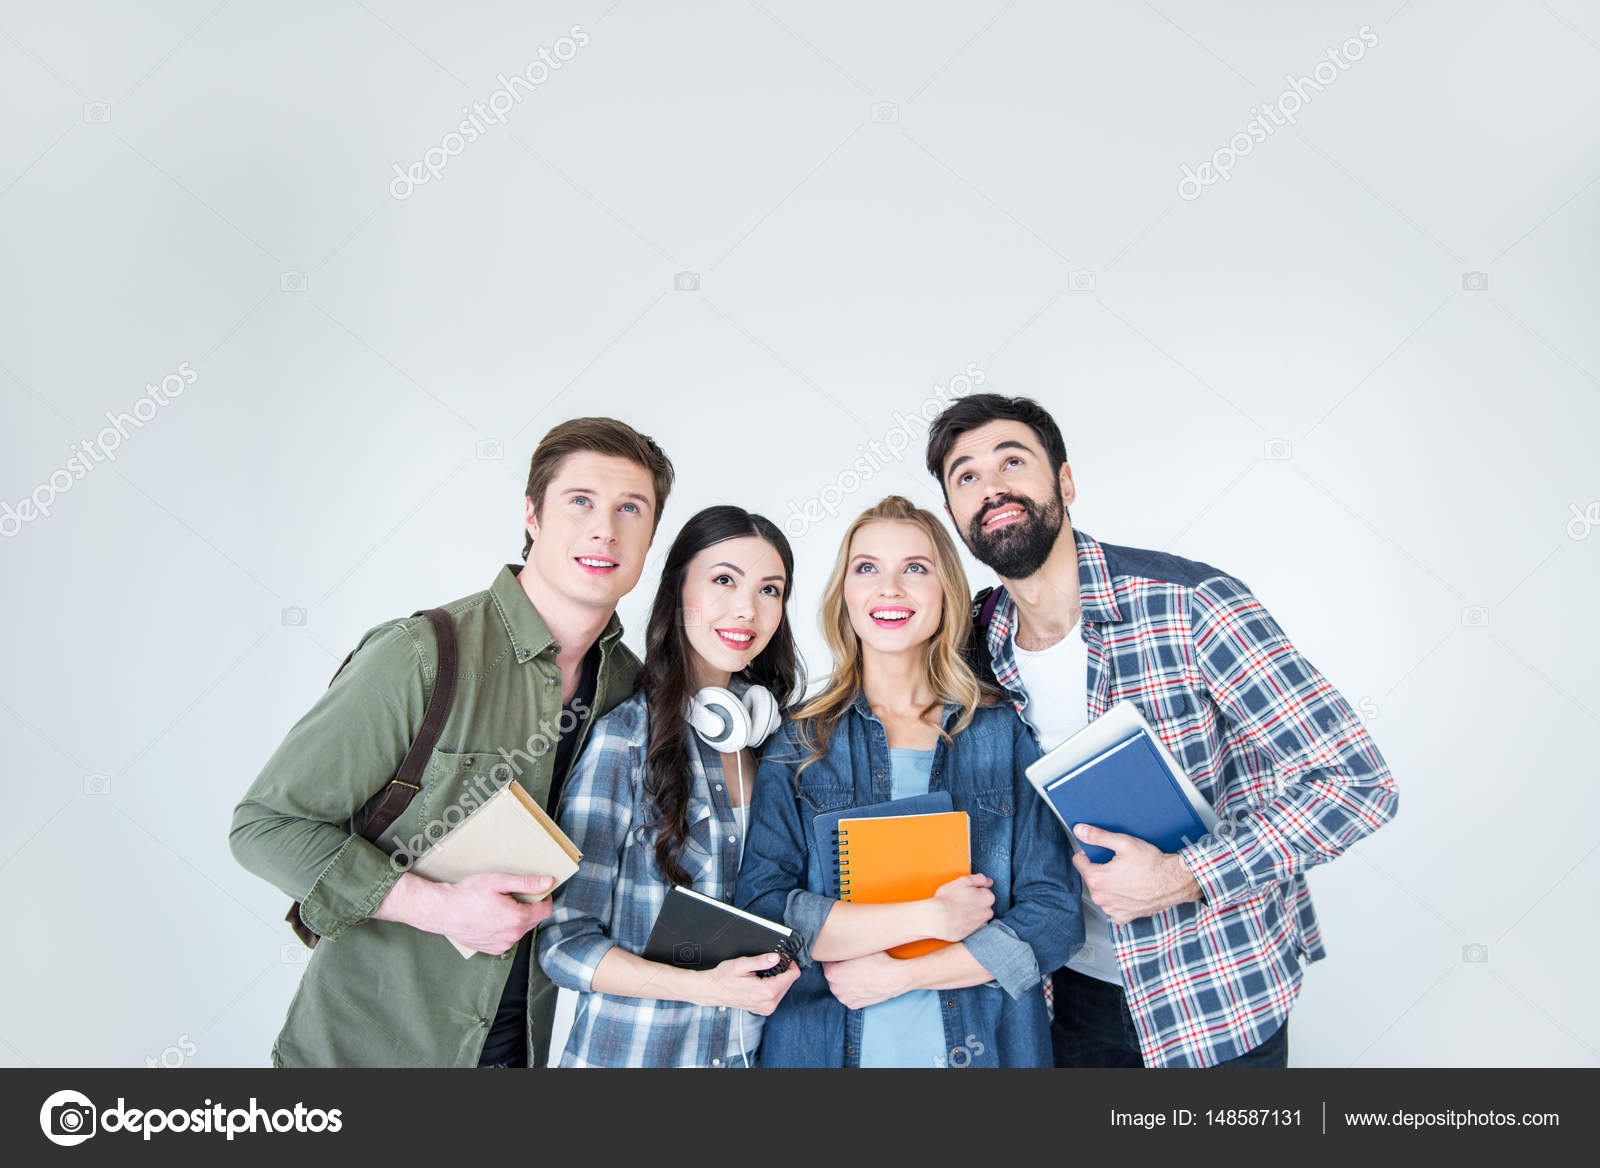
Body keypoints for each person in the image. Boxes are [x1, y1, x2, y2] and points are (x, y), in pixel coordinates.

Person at [923, 393, 1399, 1068]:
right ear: (954, 517)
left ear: (1064, 481)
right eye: (965, 475)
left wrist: (1186, 875)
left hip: (1215, 993)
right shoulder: (972, 643)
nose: (991, 485)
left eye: (1012, 461)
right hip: (1065, 1003)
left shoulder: (1193, 605)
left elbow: (1358, 786)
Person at [229, 416, 674, 1067]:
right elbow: (263, 826)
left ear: (650, 535)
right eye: (580, 501)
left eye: (629, 508)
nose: (604, 528)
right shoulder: (420, 656)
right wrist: (436, 906)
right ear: (532, 515)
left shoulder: (632, 693)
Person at [735, 495, 1081, 1068]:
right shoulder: (799, 743)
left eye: (915, 569)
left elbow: (1054, 916)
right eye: (867, 568)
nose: (889, 589)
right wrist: (929, 920)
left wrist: (903, 975)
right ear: (845, 594)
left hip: (986, 1048)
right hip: (821, 1048)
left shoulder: (1002, 732)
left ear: (944, 591)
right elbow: (763, 915)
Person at [537, 506, 805, 1066]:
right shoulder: (626, 741)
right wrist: (709, 987)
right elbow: (564, 946)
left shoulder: (780, 747)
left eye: (770, 589)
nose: (746, 609)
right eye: (724, 580)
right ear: (677, 590)